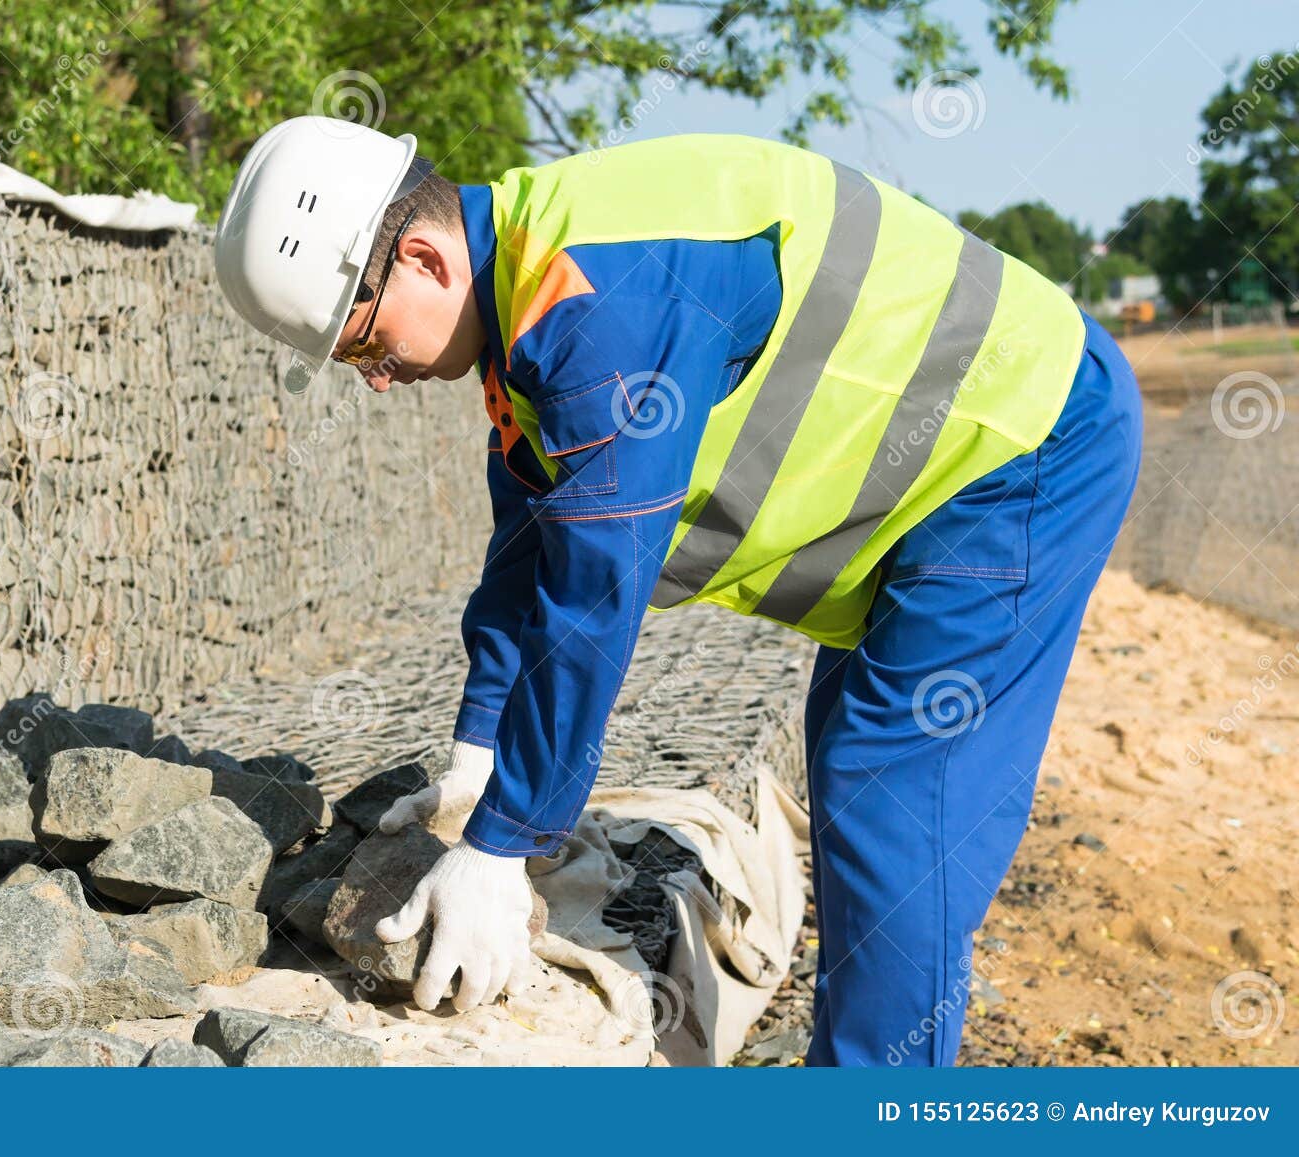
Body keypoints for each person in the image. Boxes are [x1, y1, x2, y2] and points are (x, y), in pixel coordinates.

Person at [213, 115, 1143, 1066]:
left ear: (423, 258)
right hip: (960, 466)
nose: (375, 381)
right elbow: (531, 543)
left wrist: (503, 849)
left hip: (1023, 439)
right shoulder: (535, 282)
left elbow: (593, 587)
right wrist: (480, 746)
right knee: (859, 778)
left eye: (363, 344)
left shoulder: (596, 301)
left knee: (895, 793)